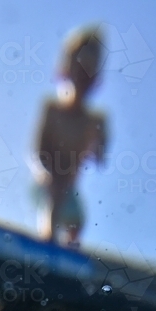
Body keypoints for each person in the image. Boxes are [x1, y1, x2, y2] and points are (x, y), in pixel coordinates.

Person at [33, 28, 108, 246]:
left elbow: (100, 156)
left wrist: (98, 145)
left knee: (76, 225)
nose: (81, 80)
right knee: (58, 189)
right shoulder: (52, 110)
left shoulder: (95, 121)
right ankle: (48, 240)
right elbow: (37, 150)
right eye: (78, 70)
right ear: (65, 70)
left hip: (70, 194)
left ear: (95, 80)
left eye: (88, 75)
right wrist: (48, 173)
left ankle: (67, 250)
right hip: (46, 184)